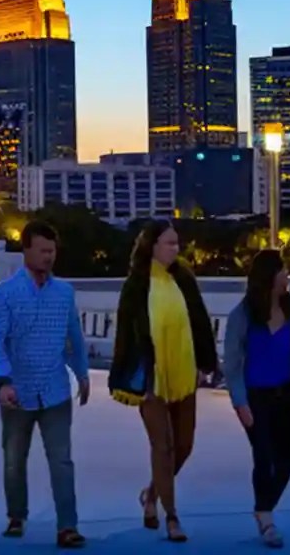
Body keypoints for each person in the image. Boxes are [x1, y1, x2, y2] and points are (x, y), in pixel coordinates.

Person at [107, 220, 218, 542]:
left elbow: (200, 321)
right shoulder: (137, 284)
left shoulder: (184, 279)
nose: (176, 248)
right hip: (151, 378)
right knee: (163, 446)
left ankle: (151, 493)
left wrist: (205, 363)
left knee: (184, 445)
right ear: (152, 246)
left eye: (176, 243)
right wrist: (125, 376)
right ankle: (172, 516)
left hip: (184, 372)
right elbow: (125, 334)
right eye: (170, 243)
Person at [0, 222, 90, 549]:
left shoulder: (64, 293)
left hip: (56, 390)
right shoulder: (5, 294)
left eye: (52, 251)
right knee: (15, 458)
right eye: (43, 250)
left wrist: (82, 373)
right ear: (26, 250)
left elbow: (73, 337)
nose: (49, 257)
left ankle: (67, 526)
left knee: (61, 459)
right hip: (18, 391)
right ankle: (16, 515)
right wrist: (2, 382)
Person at [223, 249, 290, 548]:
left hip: (285, 394)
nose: (287, 275)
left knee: (286, 460)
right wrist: (239, 403)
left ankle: (263, 506)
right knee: (263, 457)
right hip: (256, 398)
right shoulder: (242, 315)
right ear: (269, 276)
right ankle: (266, 518)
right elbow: (231, 364)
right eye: (283, 270)